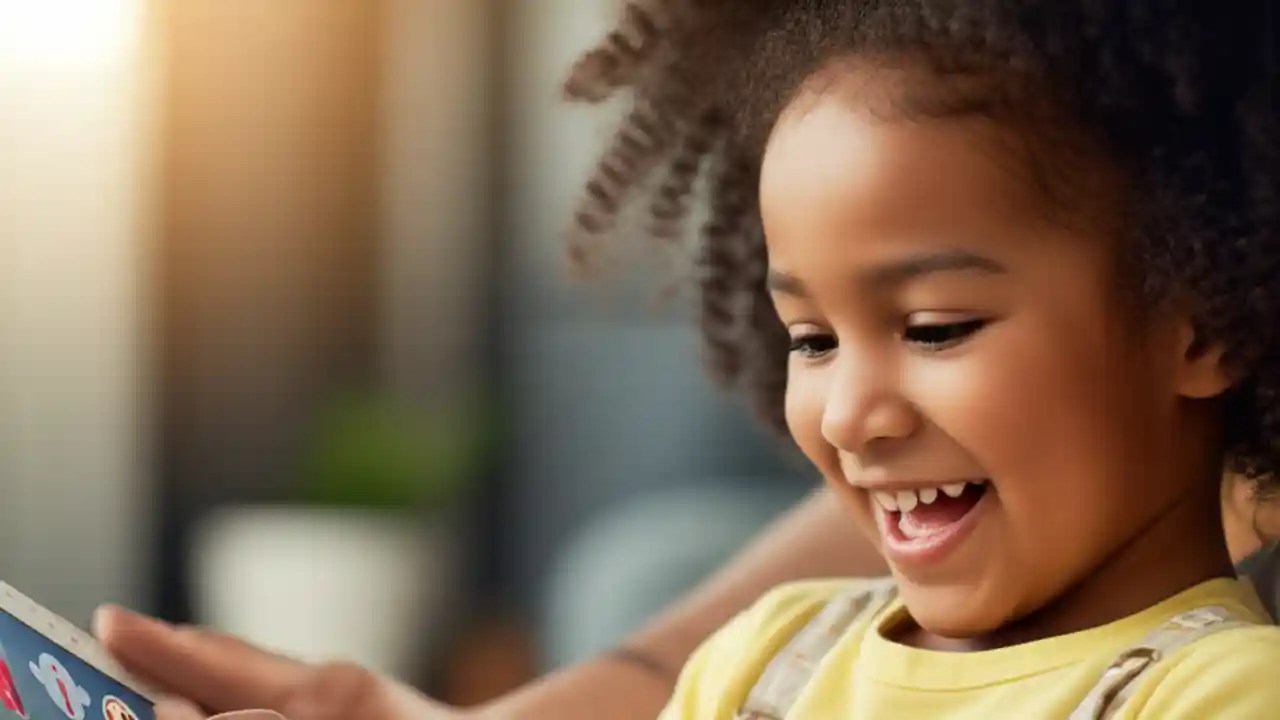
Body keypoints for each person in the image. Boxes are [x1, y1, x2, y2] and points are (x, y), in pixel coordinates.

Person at [97, 0, 1280, 717]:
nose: (848, 414)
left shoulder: (1219, 692)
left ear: (1203, 327)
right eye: (811, 340)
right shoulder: (770, 652)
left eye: (933, 328)